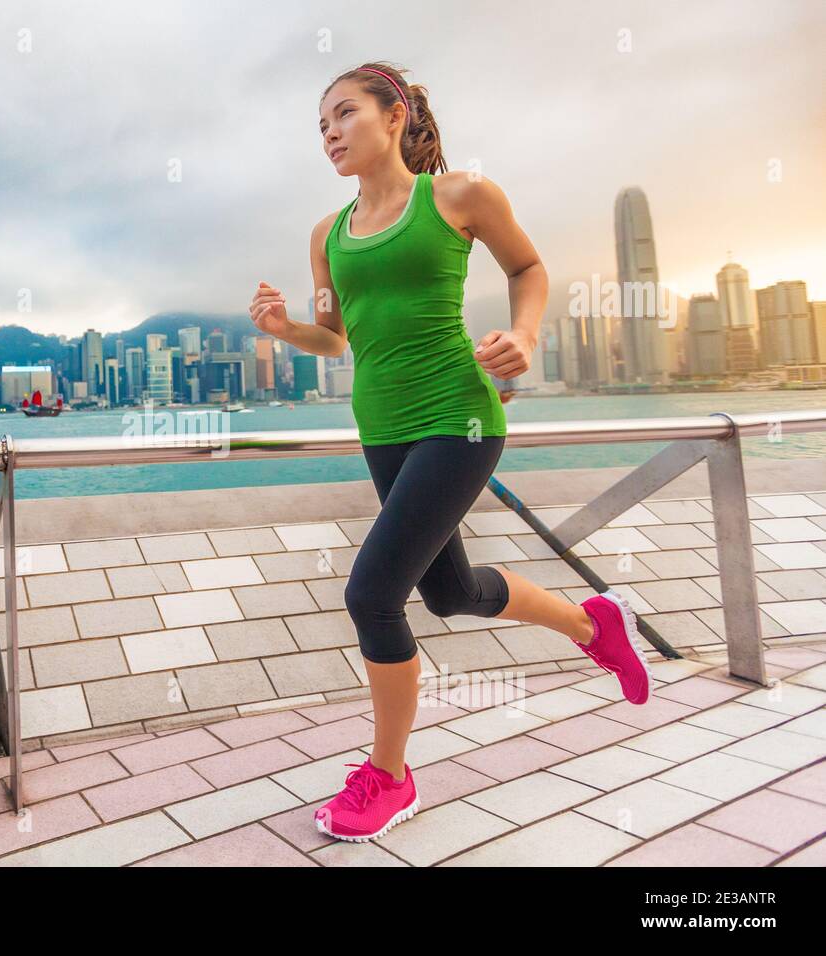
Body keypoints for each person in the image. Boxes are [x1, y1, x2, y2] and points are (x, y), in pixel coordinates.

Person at [247, 62, 653, 843]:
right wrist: (286, 331)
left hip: (459, 419)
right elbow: (336, 335)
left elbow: (529, 269)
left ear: (394, 115)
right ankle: (592, 625)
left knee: (371, 594)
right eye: (319, 125)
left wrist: (525, 335)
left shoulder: (458, 195)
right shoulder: (326, 236)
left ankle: (391, 778)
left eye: (342, 114)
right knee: (450, 591)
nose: (328, 133)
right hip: (383, 425)